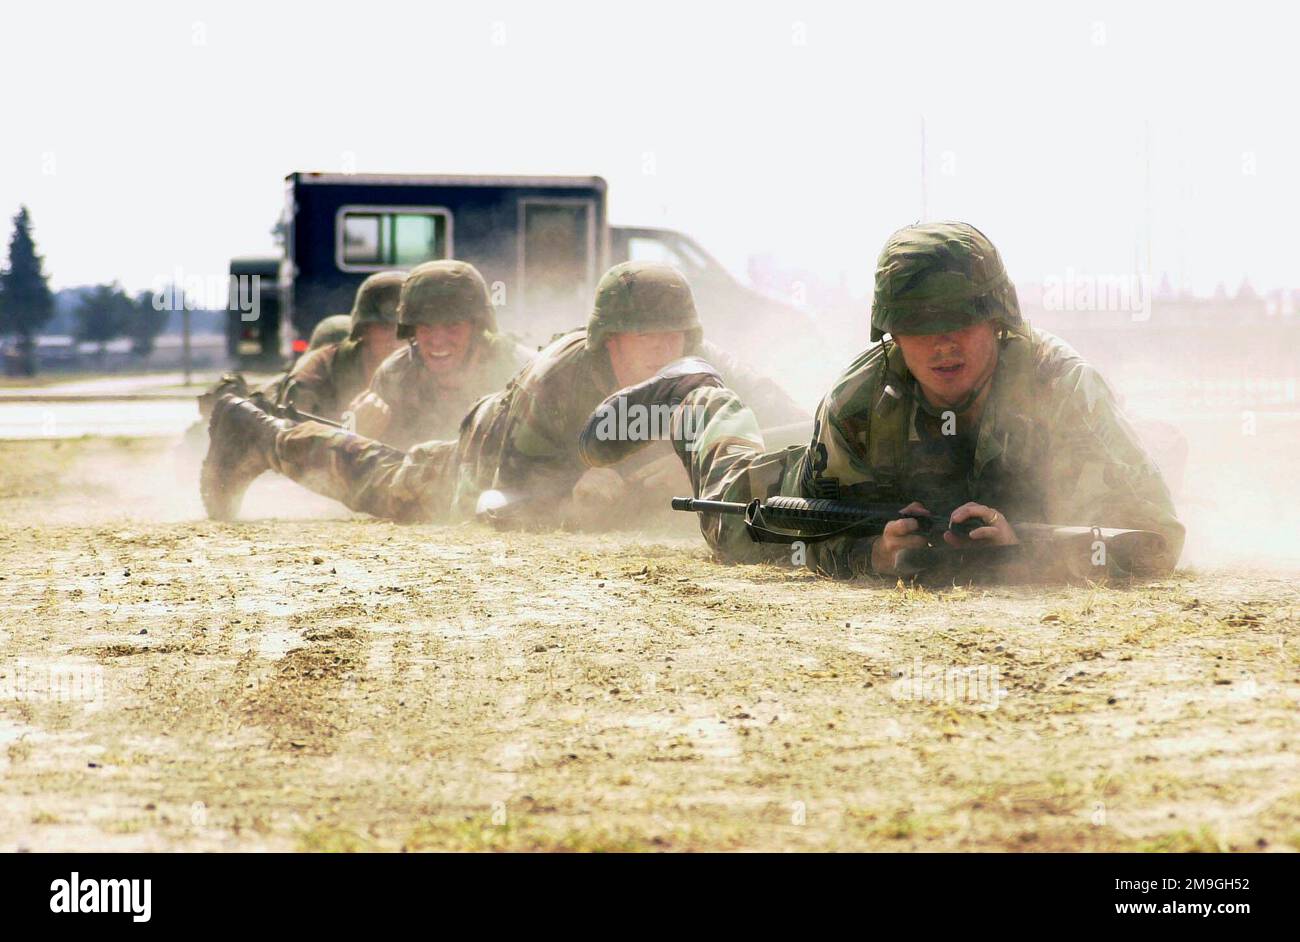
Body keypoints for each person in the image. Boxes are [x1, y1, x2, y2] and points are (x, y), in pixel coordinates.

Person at [579, 221, 1185, 580]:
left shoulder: (1063, 389)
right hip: (840, 480)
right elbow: (792, 535)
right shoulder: (859, 403)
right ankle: (696, 395)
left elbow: (1156, 538)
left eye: (962, 321)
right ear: (892, 334)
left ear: (999, 322)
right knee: (728, 521)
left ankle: (1149, 440)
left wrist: (1028, 547)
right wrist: (870, 552)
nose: (943, 344)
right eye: (920, 325)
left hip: (1035, 489)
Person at [200, 261, 809, 525]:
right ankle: (251, 429)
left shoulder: (707, 371)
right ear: (606, 342)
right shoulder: (562, 379)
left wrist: (679, 472)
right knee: (376, 478)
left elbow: (801, 430)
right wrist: (587, 499)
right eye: (640, 337)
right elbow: (509, 504)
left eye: (670, 336)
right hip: (480, 457)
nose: (659, 350)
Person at [347, 260, 535, 448]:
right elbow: (374, 468)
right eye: (425, 326)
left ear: (476, 327)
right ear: (411, 331)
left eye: (452, 325)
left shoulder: (521, 373)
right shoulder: (394, 377)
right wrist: (358, 437)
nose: (436, 340)